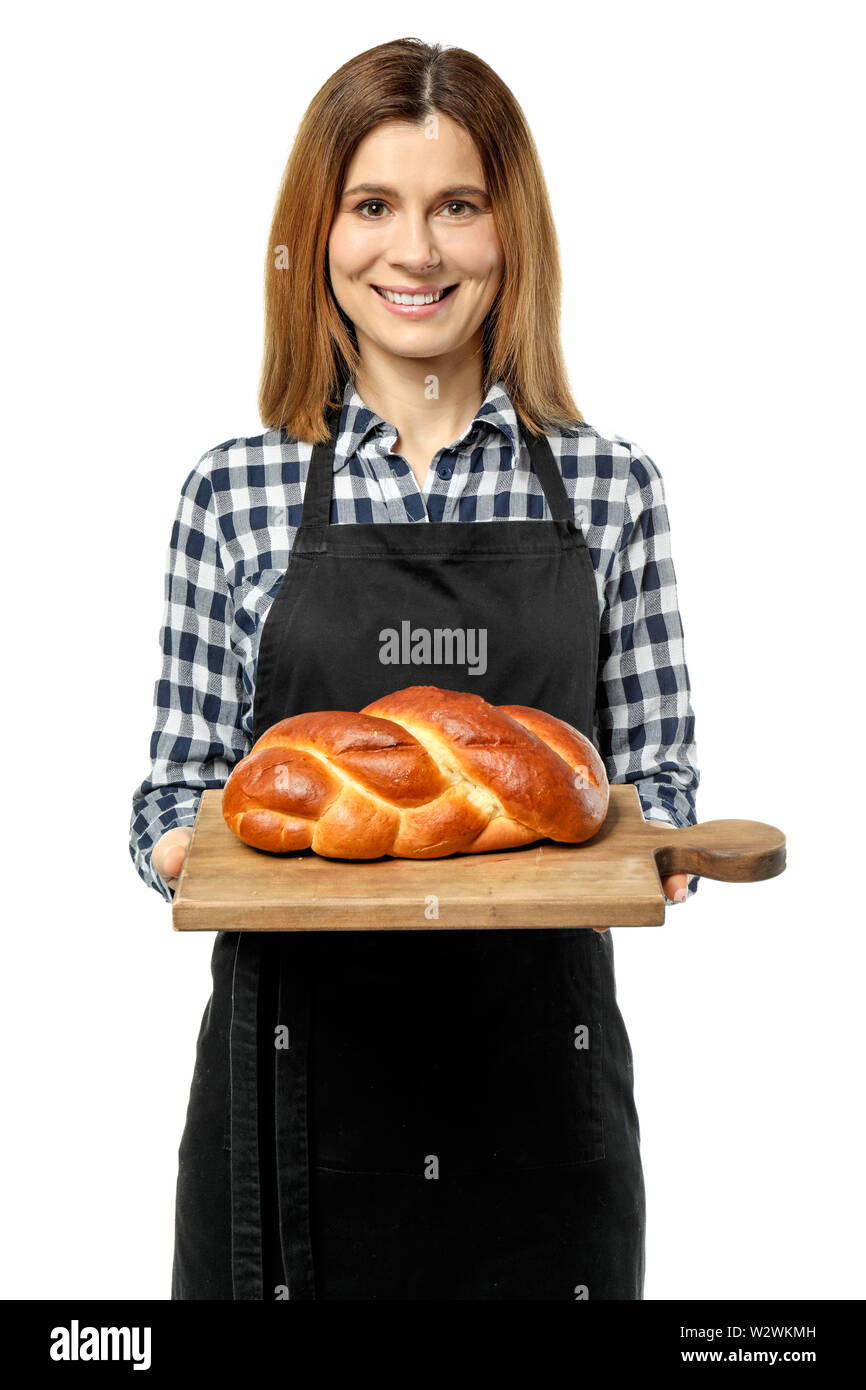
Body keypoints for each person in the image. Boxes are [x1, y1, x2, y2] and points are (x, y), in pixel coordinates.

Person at [129, 36, 699, 1301]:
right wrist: (189, 852)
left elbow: (650, 775)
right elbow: (171, 798)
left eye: (457, 207)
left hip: (543, 1122)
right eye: (372, 207)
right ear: (316, 237)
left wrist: (658, 846)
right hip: (289, 1115)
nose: (417, 251)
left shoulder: (611, 489)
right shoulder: (233, 492)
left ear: (511, 234)